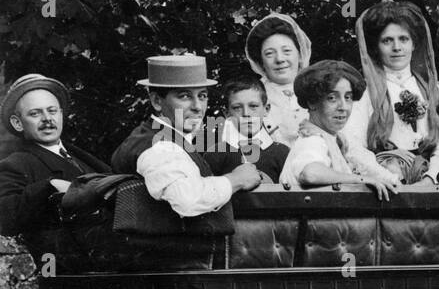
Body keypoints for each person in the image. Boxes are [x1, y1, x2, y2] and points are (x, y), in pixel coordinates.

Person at [111, 54, 262, 217]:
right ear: (156, 101)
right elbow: (188, 200)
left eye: (202, 96)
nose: (198, 107)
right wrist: (236, 179)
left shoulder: (168, 137)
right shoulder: (160, 147)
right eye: (184, 96)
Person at [342, 0, 439, 184]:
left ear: (414, 44)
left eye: (403, 39)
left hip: (428, 183)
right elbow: (352, 146)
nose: (396, 47)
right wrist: (388, 178)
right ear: (376, 47)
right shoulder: (363, 93)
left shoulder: (434, 91)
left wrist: (430, 179)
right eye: (387, 41)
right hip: (383, 182)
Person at [0, 74, 109, 236]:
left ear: (61, 114)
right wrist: (50, 186)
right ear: (18, 123)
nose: (47, 119)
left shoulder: (83, 157)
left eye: (52, 111)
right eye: (35, 114)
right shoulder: (16, 164)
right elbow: (7, 217)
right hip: (57, 257)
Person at [279, 60, 400, 198]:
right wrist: (360, 180)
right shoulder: (312, 140)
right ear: (312, 102)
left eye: (348, 97)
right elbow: (310, 173)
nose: (343, 106)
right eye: (332, 98)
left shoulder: (335, 139)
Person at [244, 12, 313, 145]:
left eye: (286, 51)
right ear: (261, 62)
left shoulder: (317, 91)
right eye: (269, 54)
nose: (280, 59)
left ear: (299, 55)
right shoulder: (254, 98)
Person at [220, 76, 290, 183]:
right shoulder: (216, 155)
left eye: (253, 106)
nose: (246, 114)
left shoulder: (282, 153)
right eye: (237, 107)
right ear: (226, 113)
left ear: (266, 109)